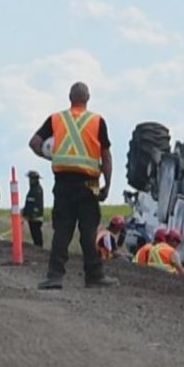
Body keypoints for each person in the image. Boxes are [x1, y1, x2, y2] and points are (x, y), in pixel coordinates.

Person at [29, 81, 117, 289]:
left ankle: (55, 276)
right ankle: (94, 275)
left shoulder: (57, 119)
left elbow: (34, 142)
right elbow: (106, 155)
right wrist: (107, 185)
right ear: (87, 98)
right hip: (89, 183)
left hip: (63, 182)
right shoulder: (97, 121)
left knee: (62, 230)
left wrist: (52, 157)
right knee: (88, 230)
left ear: (70, 98)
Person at [23, 170, 45, 247]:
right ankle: (37, 246)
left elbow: (38, 203)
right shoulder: (32, 189)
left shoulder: (38, 189)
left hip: (36, 218)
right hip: (31, 217)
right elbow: (29, 202)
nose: (30, 180)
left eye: (31, 179)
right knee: (34, 233)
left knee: (36, 234)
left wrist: (34, 214)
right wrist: (25, 212)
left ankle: (39, 247)